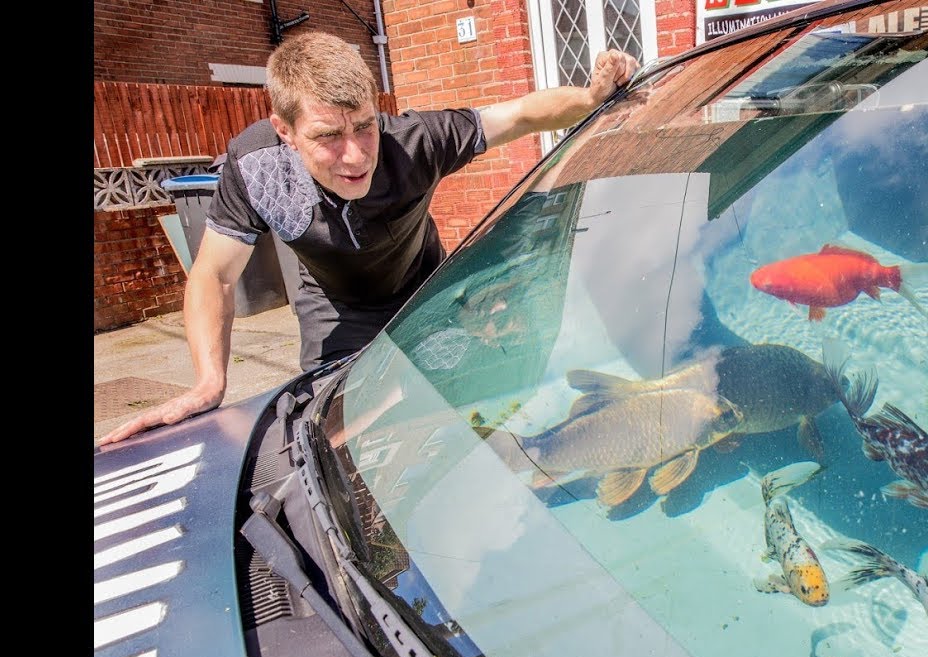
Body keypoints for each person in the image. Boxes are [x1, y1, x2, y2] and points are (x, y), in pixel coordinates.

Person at [99, 31, 638, 446]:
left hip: (425, 295)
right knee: (335, 432)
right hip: (336, 307)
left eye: (363, 125)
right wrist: (209, 383)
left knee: (449, 414)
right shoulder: (257, 167)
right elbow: (215, 275)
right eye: (328, 136)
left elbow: (518, 115)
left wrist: (590, 96)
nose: (355, 154)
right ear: (285, 131)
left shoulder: (415, 144)